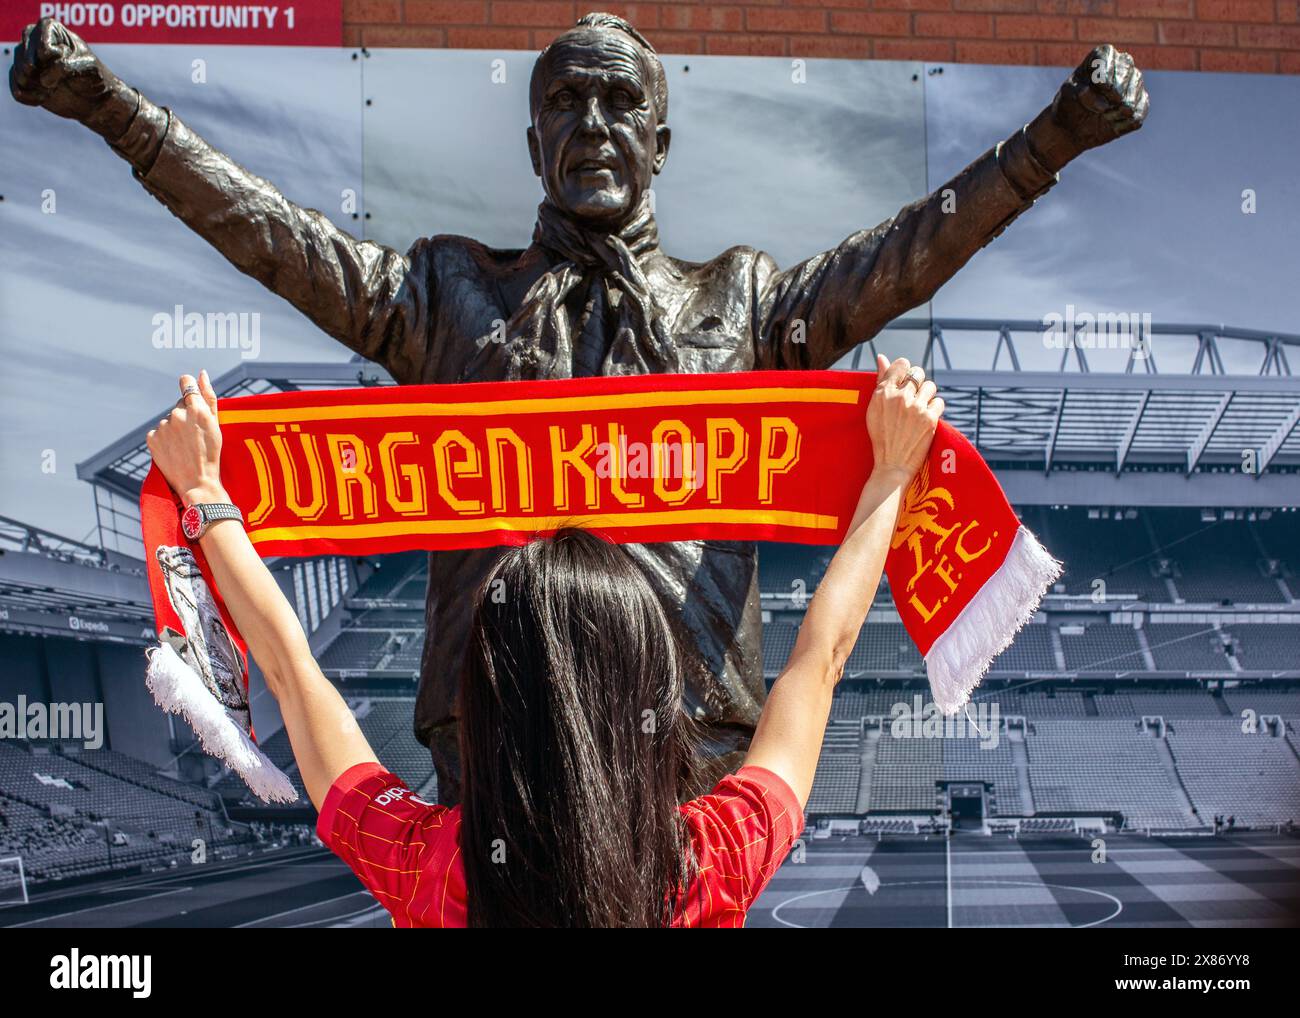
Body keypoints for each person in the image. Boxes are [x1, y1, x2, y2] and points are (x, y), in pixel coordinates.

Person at [11, 14, 1147, 802]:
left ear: (659, 141)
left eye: (620, 104)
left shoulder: (744, 301)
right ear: (533, 142)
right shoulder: (444, 294)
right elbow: (273, 234)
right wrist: (112, 108)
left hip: (689, 745)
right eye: (566, 102)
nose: (594, 123)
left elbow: (906, 253)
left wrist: (1048, 142)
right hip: (495, 737)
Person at [143, 354, 942, 926]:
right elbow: (820, 660)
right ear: (650, 696)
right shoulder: (713, 858)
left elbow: (291, 671)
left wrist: (207, 497)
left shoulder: (428, 867)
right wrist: (891, 476)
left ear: (485, 699)